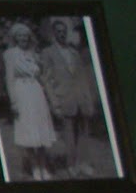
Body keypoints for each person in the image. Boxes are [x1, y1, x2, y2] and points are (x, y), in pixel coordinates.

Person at [40, 17, 99, 175]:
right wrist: (55, 104)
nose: (61, 34)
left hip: (80, 98)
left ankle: (83, 163)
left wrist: (89, 99)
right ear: (54, 33)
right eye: (58, 32)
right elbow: (46, 80)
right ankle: (71, 164)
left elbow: (82, 78)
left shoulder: (74, 52)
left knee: (84, 132)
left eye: (64, 32)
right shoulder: (47, 53)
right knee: (69, 134)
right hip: (64, 98)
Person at [0, 22, 57, 180]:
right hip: (22, 93)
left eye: (26, 35)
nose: (23, 38)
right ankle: (34, 167)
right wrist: (14, 102)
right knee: (29, 131)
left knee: (41, 129)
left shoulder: (34, 54)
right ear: (15, 37)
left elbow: (41, 75)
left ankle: (44, 165)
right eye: (20, 35)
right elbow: (9, 79)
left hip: (36, 92)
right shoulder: (10, 54)